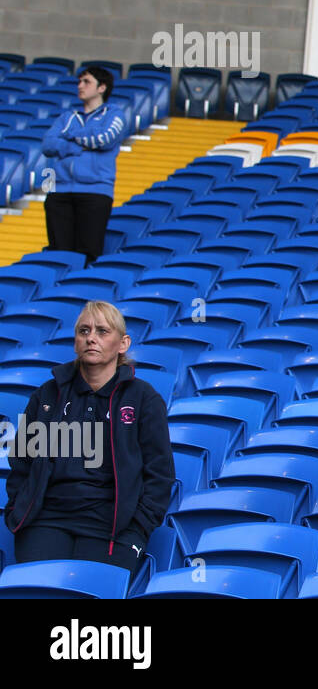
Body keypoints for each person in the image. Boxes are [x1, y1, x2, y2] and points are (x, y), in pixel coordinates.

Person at [5, 301, 174, 575]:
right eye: (84, 331)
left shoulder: (144, 399)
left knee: (91, 591)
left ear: (123, 343)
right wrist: (18, 508)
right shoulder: (47, 395)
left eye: (102, 331)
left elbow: (160, 474)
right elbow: (22, 461)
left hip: (114, 525)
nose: (91, 338)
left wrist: (139, 525)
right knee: (40, 589)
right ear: (75, 342)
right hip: (47, 520)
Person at [41, 66, 129, 266]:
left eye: (86, 82)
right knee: (57, 256)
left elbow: (103, 139)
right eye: (79, 82)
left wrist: (69, 138)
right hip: (59, 192)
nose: (80, 86)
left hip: (95, 193)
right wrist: (75, 147)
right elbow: (47, 144)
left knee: (88, 254)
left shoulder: (114, 114)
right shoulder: (67, 117)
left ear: (102, 88)